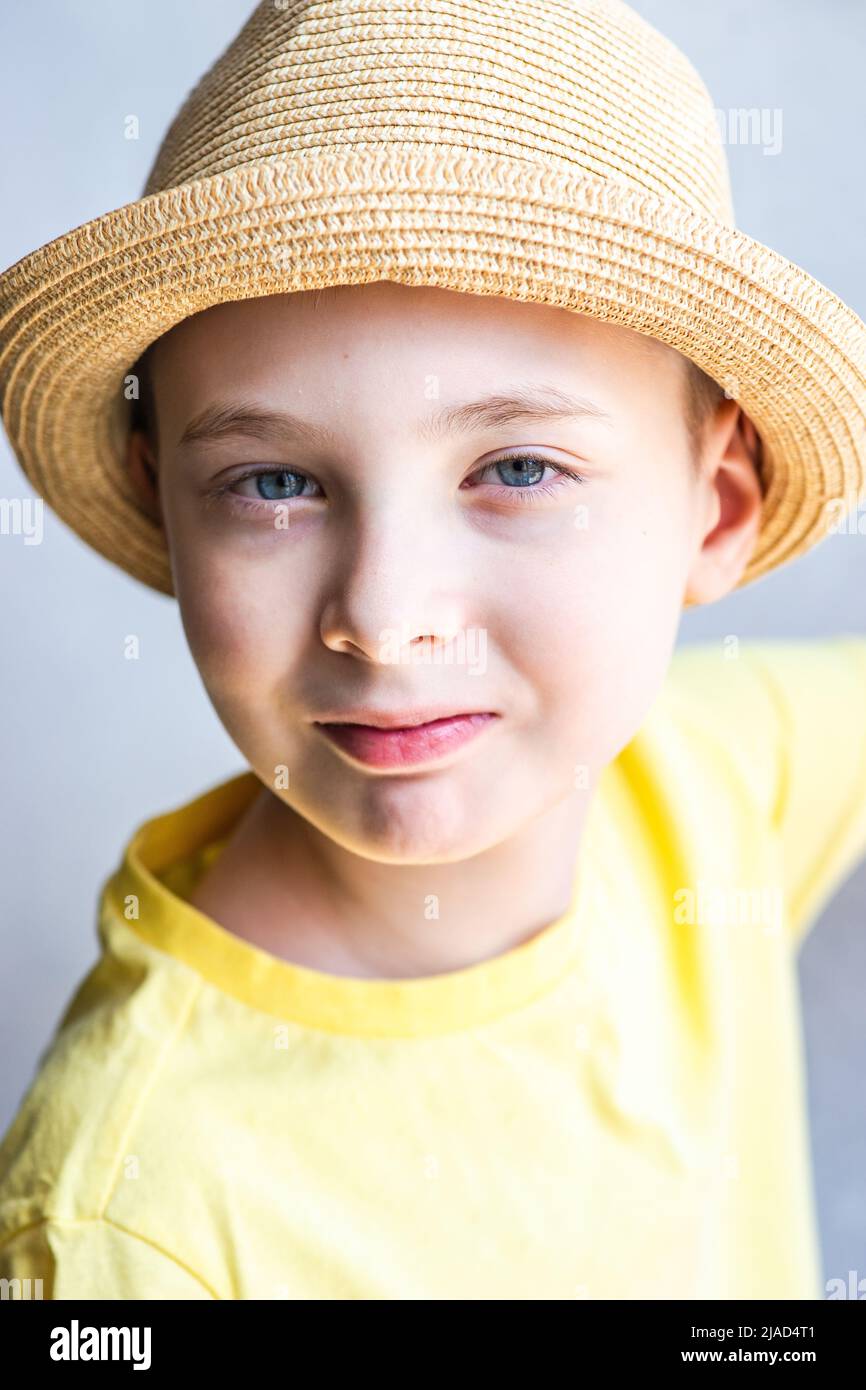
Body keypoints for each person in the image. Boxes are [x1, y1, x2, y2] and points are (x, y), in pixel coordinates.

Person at [1, 0, 866, 1300]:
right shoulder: (130, 1221)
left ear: (716, 506)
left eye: (516, 466)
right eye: (273, 481)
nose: (386, 614)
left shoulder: (710, 784)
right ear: (164, 507)